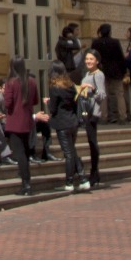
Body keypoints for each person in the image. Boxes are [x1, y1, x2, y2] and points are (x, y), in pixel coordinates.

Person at [1, 56, 49, 194]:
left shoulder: (11, 82)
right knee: (26, 152)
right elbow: (35, 101)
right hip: (27, 121)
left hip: (14, 121)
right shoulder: (32, 81)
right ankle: (26, 180)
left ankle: (26, 184)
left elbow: (8, 103)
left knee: (20, 153)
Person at [42, 63, 89, 192]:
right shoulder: (71, 85)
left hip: (62, 124)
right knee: (72, 151)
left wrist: (48, 102)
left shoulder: (54, 88)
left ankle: (69, 182)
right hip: (73, 122)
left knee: (68, 153)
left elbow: (53, 109)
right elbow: (74, 104)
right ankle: (83, 178)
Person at [77, 49, 106, 185]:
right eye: (87, 59)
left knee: (92, 141)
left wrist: (92, 90)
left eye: (91, 59)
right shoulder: (87, 73)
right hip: (85, 109)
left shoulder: (98, 75)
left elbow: (102, 95)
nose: (88, 61)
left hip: (92, 111)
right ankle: (94, 172)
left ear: (97, 61)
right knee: (90, 140)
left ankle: (94, 171)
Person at [90, 24, 128, 123]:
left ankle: (103, 117)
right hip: (115, 71)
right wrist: (124, 71)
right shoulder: (115, 42)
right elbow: (120, 57)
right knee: (119, 94)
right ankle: (122, 116)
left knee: (102, 94)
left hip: (101, 70)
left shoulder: (96, 43)